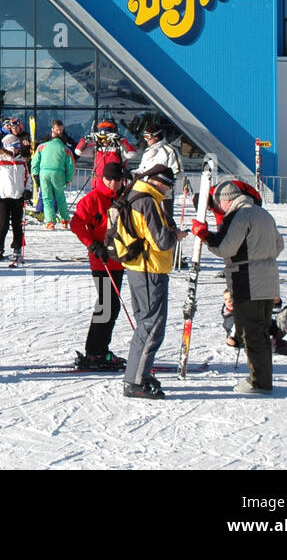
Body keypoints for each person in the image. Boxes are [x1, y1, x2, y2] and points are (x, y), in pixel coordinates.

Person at [193, 180, 286, 395]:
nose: (219, 208)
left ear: (226, 200)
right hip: (268, 278)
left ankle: (259, 382)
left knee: (252, 332)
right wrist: (262, 256)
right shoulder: (262, 213)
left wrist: (204, 235)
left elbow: (224, 247)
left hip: (247, 279)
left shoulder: (238, 215)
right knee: (261, 331)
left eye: (219, 203)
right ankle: (261, 377)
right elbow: (279, 244)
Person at [112, 164, 185, 399]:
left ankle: (138, 374)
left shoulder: (135, 194)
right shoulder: (147, 201)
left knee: (146, 323)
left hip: (138, 268)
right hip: (149, 269)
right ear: (158, 181)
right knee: (151, 326)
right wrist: (176, 235)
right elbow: (161, 241)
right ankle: (135, 380)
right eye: (168, 185)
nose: (169, 190)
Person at [69, 161, 128, 370]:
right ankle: (95, 351)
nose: (114, 183)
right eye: (110, 179)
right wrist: (93, 245)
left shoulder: (123, 197)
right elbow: (75, 223)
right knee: (107, 305)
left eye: (118, 179)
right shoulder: (92, 198)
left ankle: (100, 349)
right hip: (101, 260)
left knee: (111, 305)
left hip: (119, 260)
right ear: (103, 178)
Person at [0, 134, 31, 262]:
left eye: (19, 145)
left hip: (18, 197)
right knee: (3, 224)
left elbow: (27, 178)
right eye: (16, 146)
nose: (19, 148)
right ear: (9, 146)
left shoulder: (21, 161)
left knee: (17, 225)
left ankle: (17, 247)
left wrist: (28, 191)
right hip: (3, 197)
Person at [223, 293, 287, 356]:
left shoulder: (248, 306)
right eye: (226, 299)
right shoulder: (230, 318)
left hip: (272, 329)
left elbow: (269, 308)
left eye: (232, 298)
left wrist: (275, 302)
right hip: (258, 339)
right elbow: (231, 333)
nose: (229, 301)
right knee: (269, 346)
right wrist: (231, 342)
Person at [31, 120, 75, 229]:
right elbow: (71, 166)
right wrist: (68, 179)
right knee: (60, 197)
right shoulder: (66, 149)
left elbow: (34, 161)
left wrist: (36, 175)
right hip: (58, 173)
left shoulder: (41, 146)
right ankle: (64, 219)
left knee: (47, 198)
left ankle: (50, 222)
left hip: (44, 173)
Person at [137, 122, 184, 219]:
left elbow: (178, 172)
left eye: (147, 137)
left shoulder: (170, 151)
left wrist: (165, 182)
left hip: (163, 193)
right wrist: (132, 173)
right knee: (147, 218)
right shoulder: (147, 152)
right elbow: (142, 170)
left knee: (164, 220)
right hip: (146, 191)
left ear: (156, 137)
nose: (146, 140)